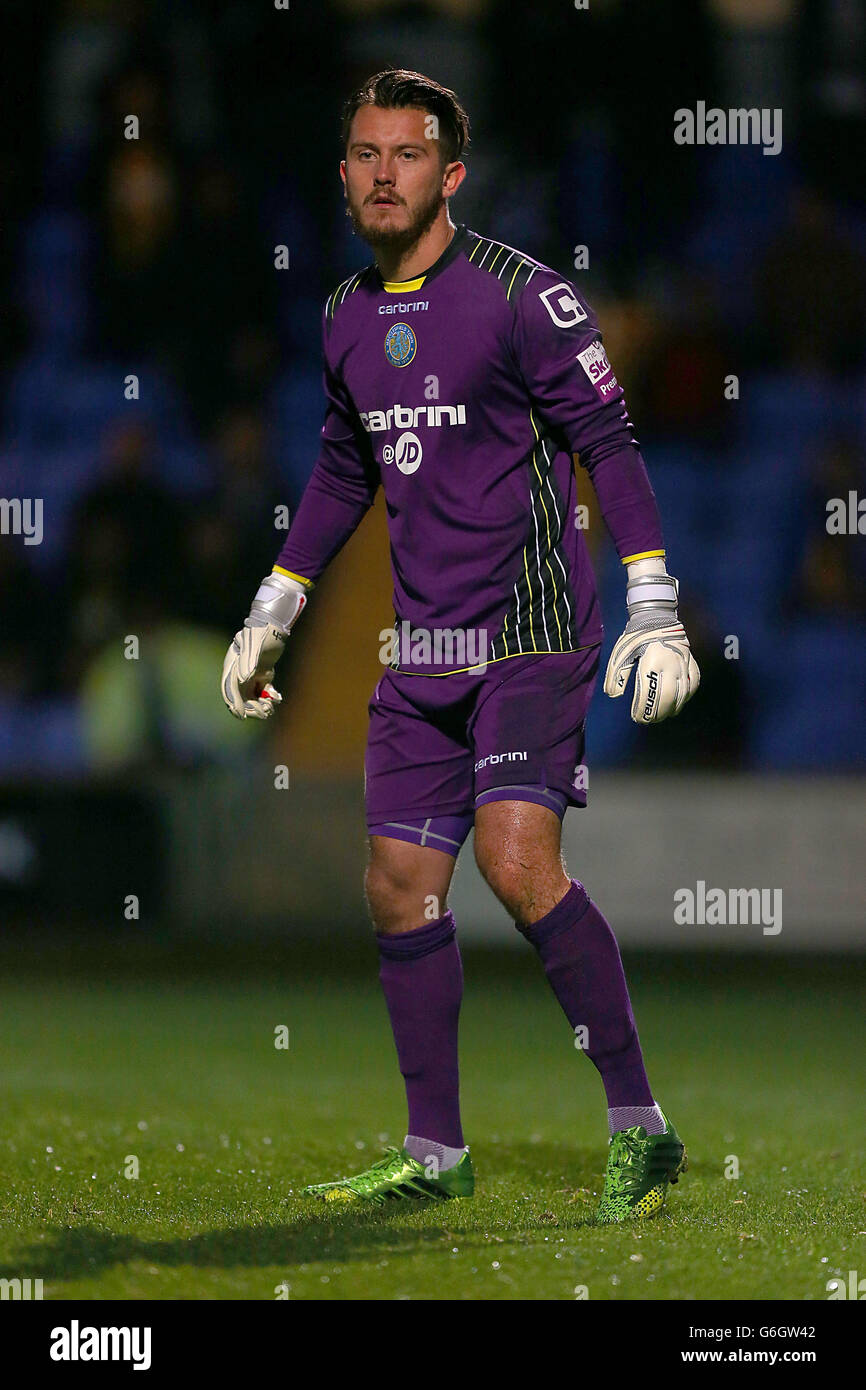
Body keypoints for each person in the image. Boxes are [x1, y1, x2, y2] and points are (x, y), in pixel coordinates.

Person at [221, 69, 699, 1221]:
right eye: (366, 155)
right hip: (417, 641)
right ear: (343, 177)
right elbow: (346, 468)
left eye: (409, 153)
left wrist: (652, 601)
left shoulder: (521, 296)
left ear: (451, 173)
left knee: (517, 865)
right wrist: (275, 606)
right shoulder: (342, 313)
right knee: (395, 888)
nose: (386, 173)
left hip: (528, 631)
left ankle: (640, 1125)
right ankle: (433, 1153)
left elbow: (608, 440)